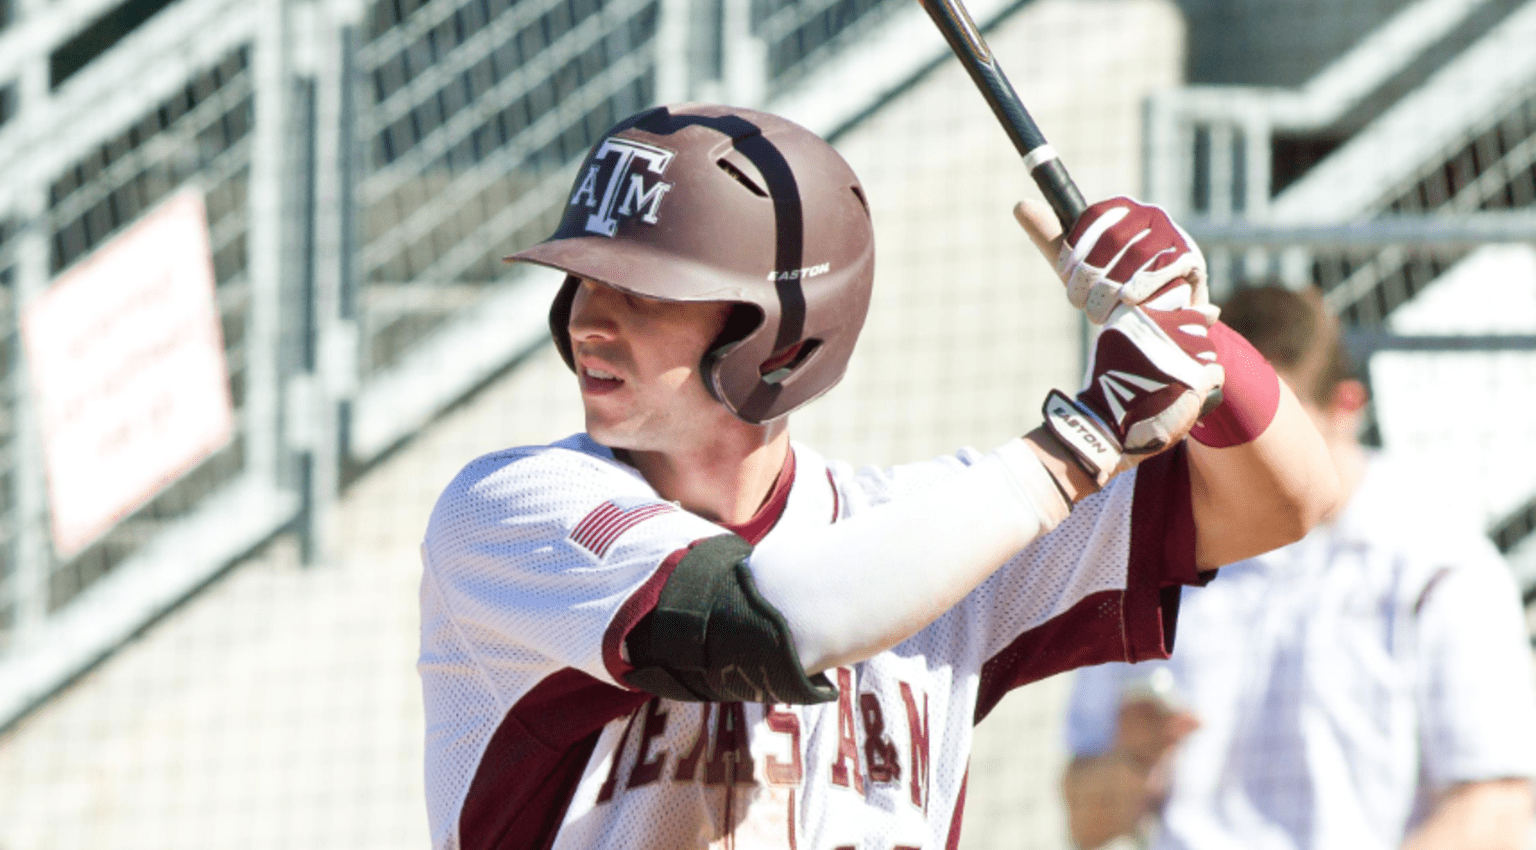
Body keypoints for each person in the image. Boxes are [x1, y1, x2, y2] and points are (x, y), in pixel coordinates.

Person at [417, 103, 1337, 850]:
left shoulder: (928, 528)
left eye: (646, 292)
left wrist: (1196, 334)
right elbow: (758, 620)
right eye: (581, 280)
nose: (587, 319)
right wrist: (1082, 440)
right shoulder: (514, 507)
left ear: (784, 329)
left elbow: (1285, 500)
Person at [1060, 284, 1536, 850]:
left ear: (1347, 409)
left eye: (1272, 432)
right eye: (1222, 436)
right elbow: (1084, 824)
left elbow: (1496, 809)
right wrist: (1135, 763)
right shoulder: (1148, 563)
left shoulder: (1439, 571)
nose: (1247, 459)